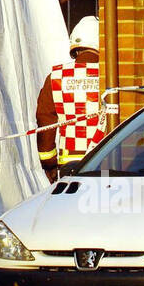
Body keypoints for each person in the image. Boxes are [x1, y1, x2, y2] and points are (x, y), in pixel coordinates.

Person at [36, 14, 106, 182]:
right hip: (106, 159)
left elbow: (45, 121)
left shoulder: (55, 77)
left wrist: (49, 163)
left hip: (69, 164)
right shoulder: (109, 76)